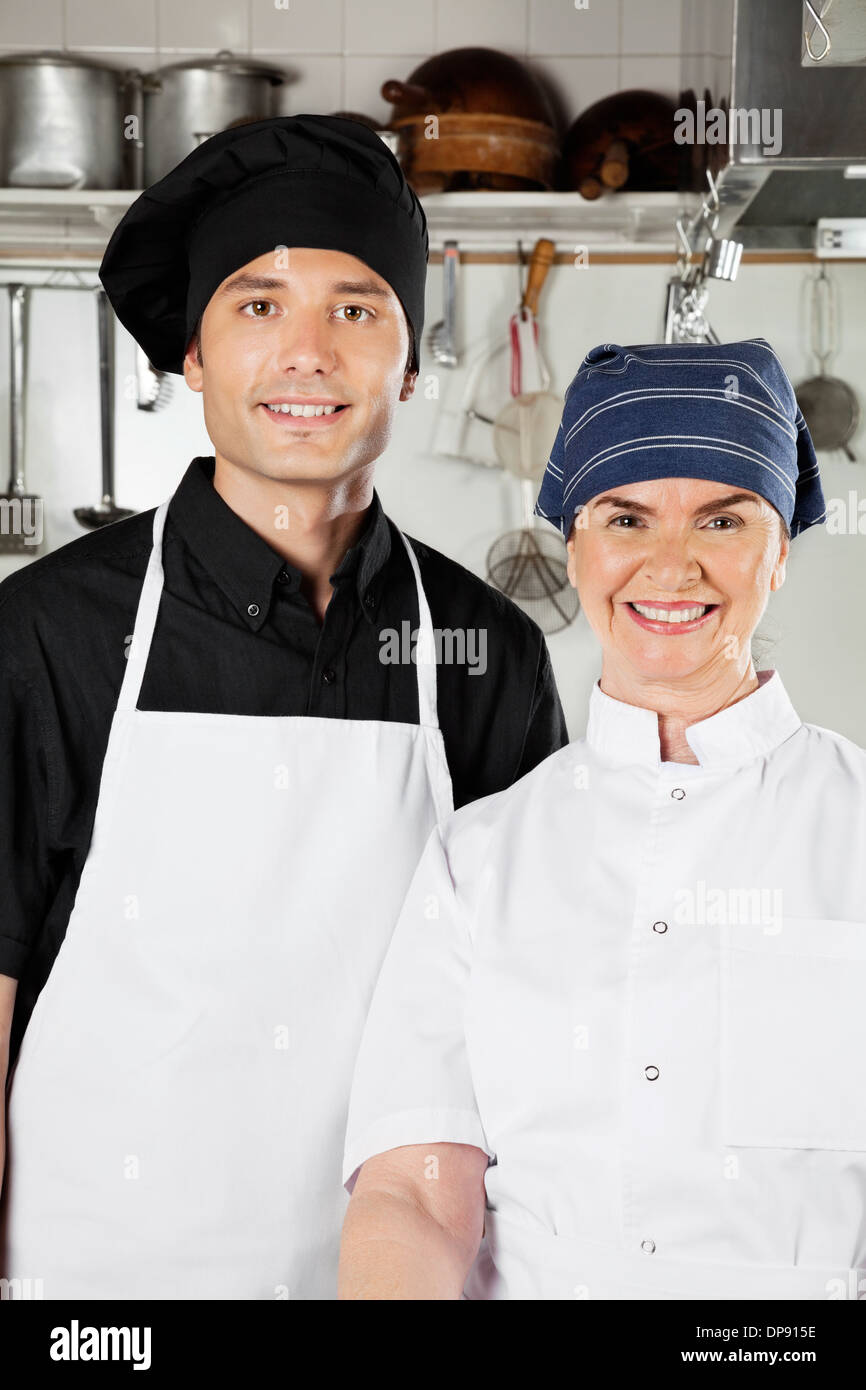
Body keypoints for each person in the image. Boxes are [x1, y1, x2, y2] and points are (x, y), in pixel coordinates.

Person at [0, 115, 568, 1300]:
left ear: (408, 362)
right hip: (102, 1290)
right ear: (193, 354)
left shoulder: (487, 657)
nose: (306, 353)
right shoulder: (42, 635)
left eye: (356, 308)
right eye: (258, 305)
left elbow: (532, 1018)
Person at [338, 338, 866, 1301]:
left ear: (781, 550)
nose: (672, 566)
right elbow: (412, 1200)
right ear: (573, 548)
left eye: (722, 519)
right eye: (626, 517)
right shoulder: (479, 856)